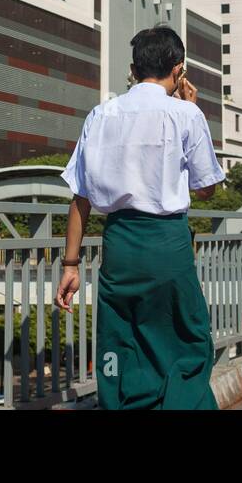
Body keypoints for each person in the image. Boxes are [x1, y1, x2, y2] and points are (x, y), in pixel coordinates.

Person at [55, 26, 225, 410]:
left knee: (123, 345)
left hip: (119, 247)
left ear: (133, 69)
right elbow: (206, 189)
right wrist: (193, 108)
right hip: (167, 244)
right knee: (187, 342)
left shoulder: (100, 115)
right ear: (179, 69)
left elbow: (80, 197)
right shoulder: (185, 114)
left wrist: (70, 264)